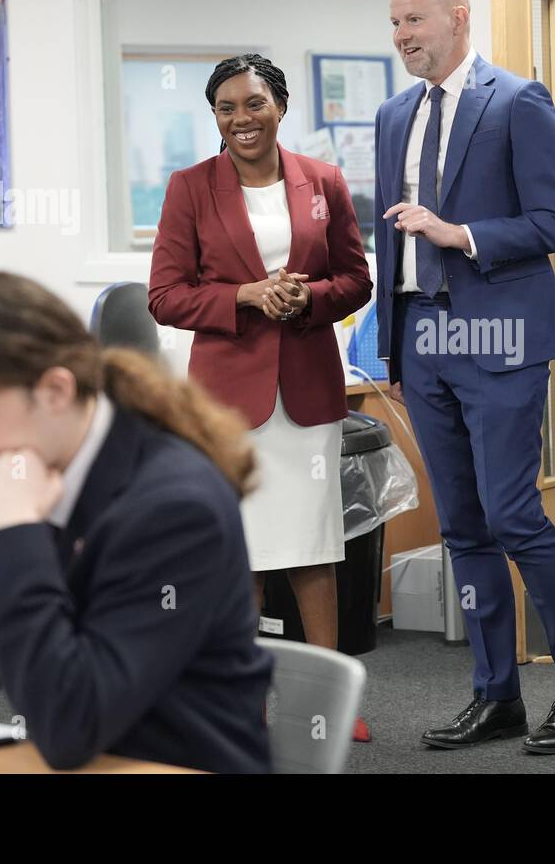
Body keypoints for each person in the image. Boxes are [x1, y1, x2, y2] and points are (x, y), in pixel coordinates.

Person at [0, 272, 271, 773]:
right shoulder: (11, 473)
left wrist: (15, 535)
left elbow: (71, 724)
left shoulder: (175, 507)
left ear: (55, 390)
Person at [374, 0, 555, 754]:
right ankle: (495, 693)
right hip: (425, 342)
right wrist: (394, 347)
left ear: (458, 17)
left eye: (414, 21)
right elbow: (387, 242)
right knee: (465, 528)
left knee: (514, 515)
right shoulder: (391, 116)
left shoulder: (517, 103)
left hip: (501, 339)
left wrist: (461, 234)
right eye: (396, 24)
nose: (404, 36)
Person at [148, 55, 372, 720]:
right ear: (214, 116)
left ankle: (330, 697)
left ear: (280, 105)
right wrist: (247, 295)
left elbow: (356, 279)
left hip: (305, 391)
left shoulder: (323, 181)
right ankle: (244, 696)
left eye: (253, 103)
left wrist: (306, 297)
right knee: (239, 551)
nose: (241, 119)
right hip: (226, 400)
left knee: (312, 545)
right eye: (226, 108)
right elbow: (165, 295)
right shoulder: (190, 187)